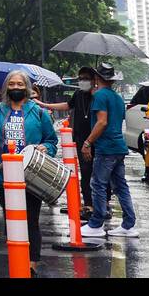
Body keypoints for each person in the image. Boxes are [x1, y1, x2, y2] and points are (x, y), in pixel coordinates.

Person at [0, 70, 59, 273]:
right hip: (6, 177)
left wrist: (46, 148)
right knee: (12, 221)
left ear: (26, 87)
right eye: (12, 84)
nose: (16, 87)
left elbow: (52, 141)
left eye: (20, 84)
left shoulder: (39, 112)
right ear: (6, 88)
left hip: (32, 175)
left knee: (31, 221)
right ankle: (17, 258)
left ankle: (32, 263)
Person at [81, 61, 138, 238]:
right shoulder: (117, 98)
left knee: (97, 184)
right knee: (120, 186)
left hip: (106, 148)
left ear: (97, 78)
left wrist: (88, 142)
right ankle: (128, 224)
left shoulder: (100, 96)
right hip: (118, 146)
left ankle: (96, 223)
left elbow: (102, 122)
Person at [37, 66, 97, 209]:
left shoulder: (98, 96)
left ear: (94, 80)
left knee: (99, 174)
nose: (83, 81)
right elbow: (67, 105)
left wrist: (89, 143)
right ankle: (88, 204)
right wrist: (44, 105)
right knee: (85, 172)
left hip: (96, 140)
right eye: (80, 78)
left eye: (86, 78)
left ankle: (103, 204)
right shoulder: (78, 94)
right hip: (80, 139)